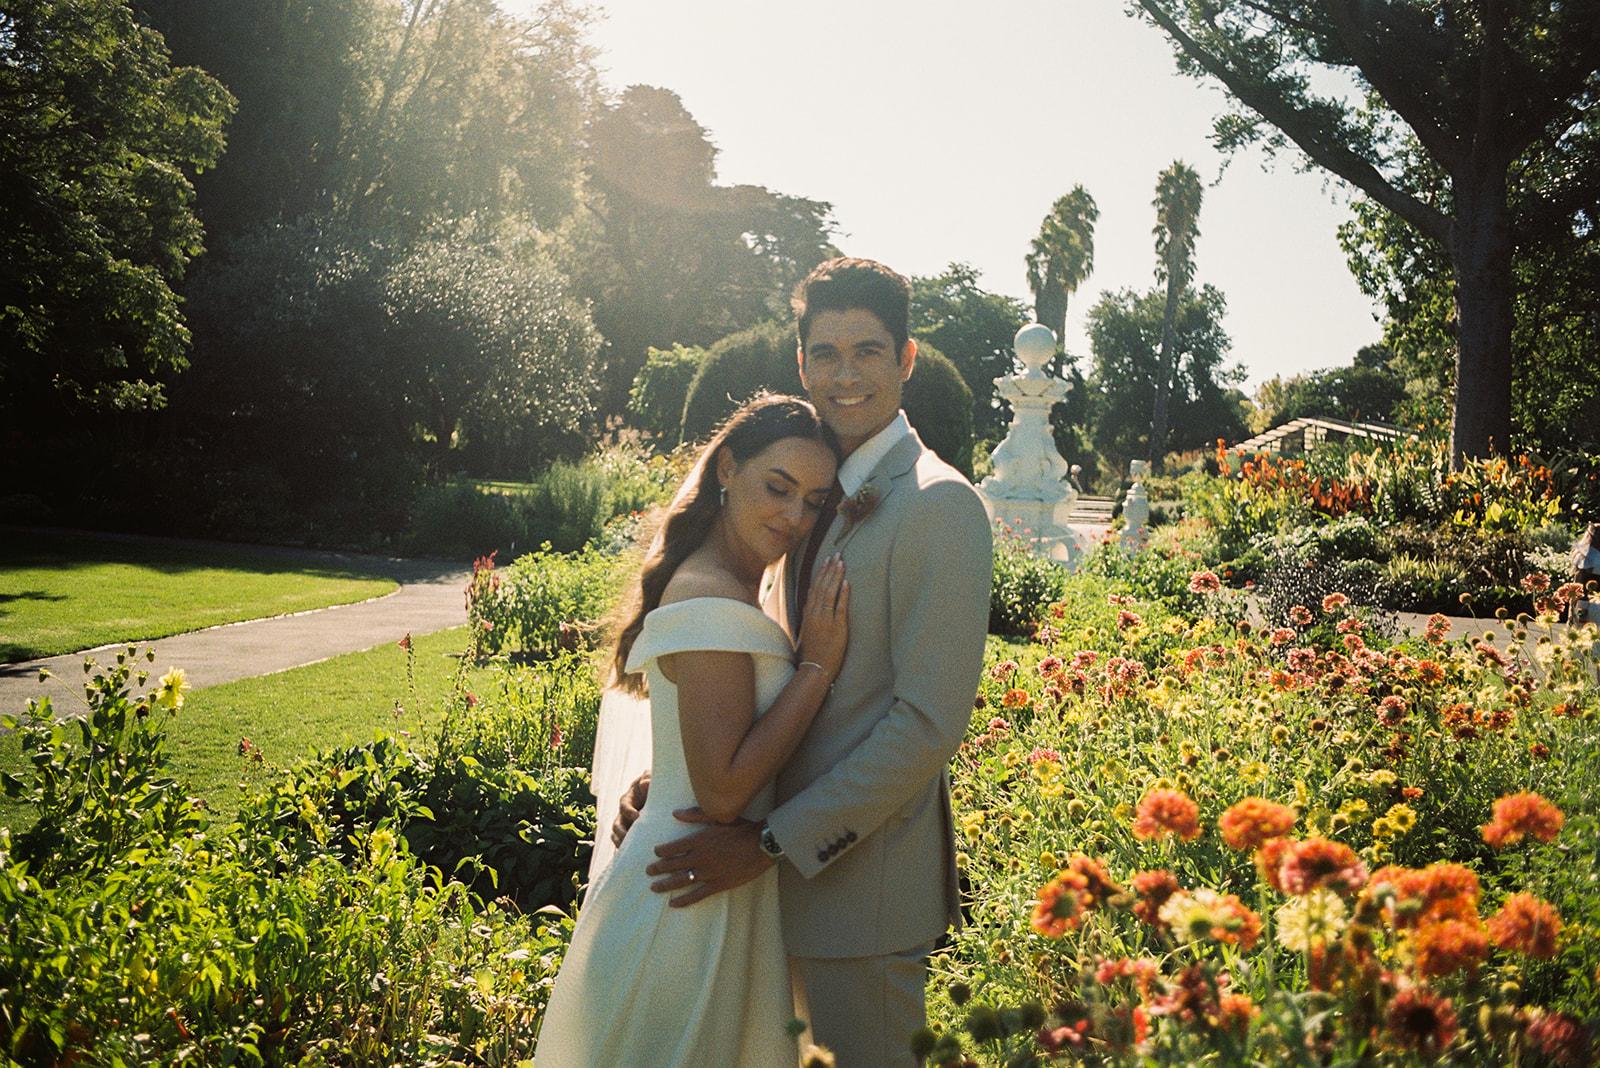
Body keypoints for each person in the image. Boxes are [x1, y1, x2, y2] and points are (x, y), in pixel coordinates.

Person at [630, 258, 994, 1067]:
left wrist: (767, 843)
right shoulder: (809, 489)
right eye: (825, 353)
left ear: (907, 359)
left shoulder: (941, 507)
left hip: (859, 899)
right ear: (800, 364)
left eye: (868, 351)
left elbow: (926, 727)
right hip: (761, 888)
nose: (846, 374)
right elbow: (776, 670)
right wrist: (681, 782)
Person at [534, 394, 851, 1067]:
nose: (796, 516)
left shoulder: (730, 583)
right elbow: (725, 795)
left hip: (704, 880)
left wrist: (659, 777)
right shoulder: (711, 595)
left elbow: (710, 743)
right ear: (728, 468)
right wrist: (817, 665)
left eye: (815, 500)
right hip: (689, 900)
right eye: (778, 488)